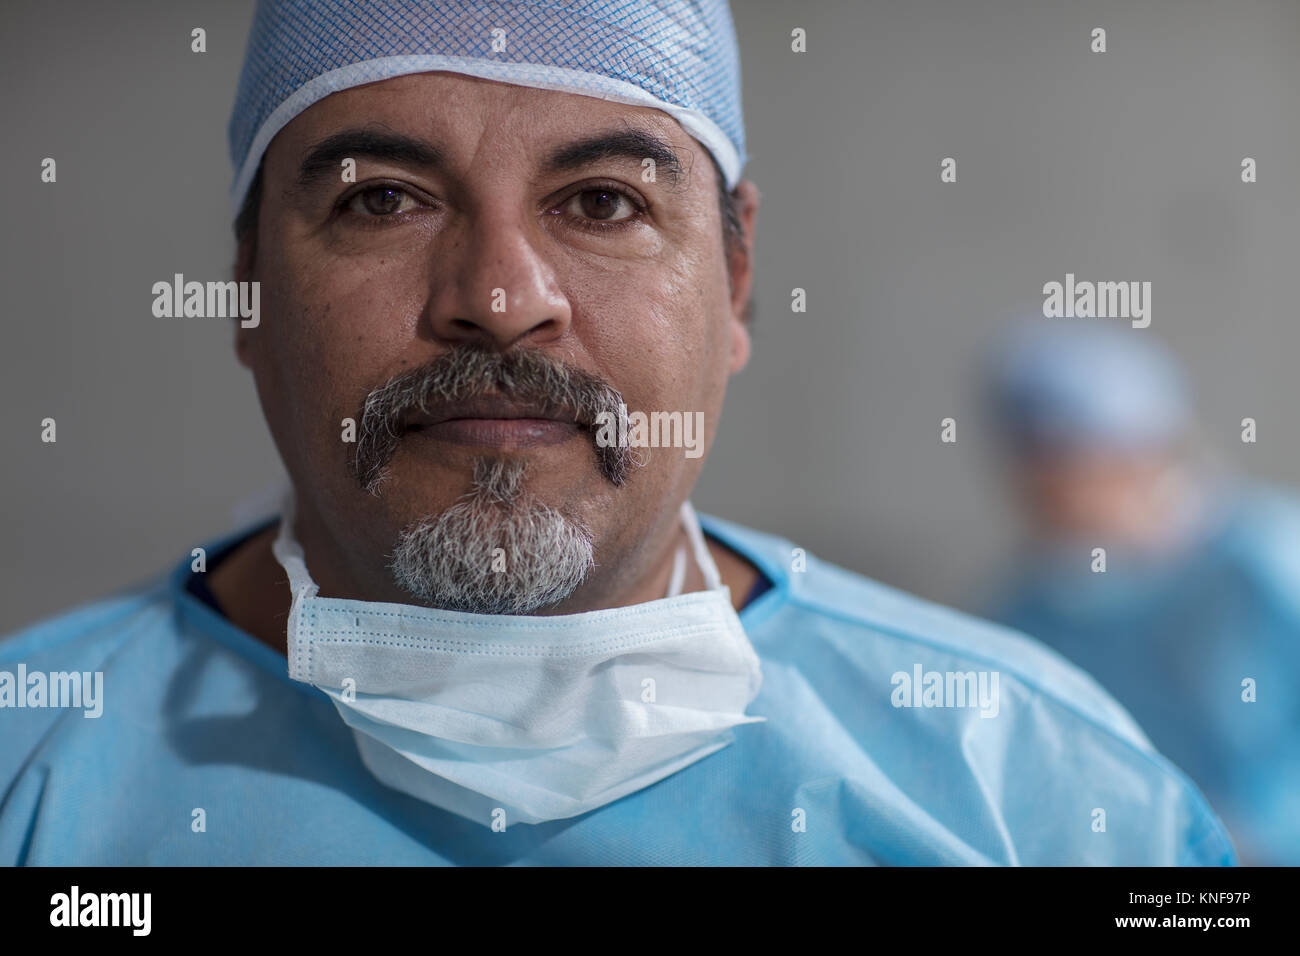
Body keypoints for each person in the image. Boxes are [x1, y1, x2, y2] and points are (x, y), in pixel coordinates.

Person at [0, 0, 1232, 866]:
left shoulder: (1039, 792)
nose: (497, 293)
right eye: (383, 198)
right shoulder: (34, 772)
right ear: (250, 286)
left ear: (737, 279)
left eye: (602, 200)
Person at [984, 319, 1300, 865]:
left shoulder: (1268, 564)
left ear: (1143, 454)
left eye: (1067, 468)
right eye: (1030, 472)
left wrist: (1250, 840)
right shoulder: (1034, 609)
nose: (1046, 500)